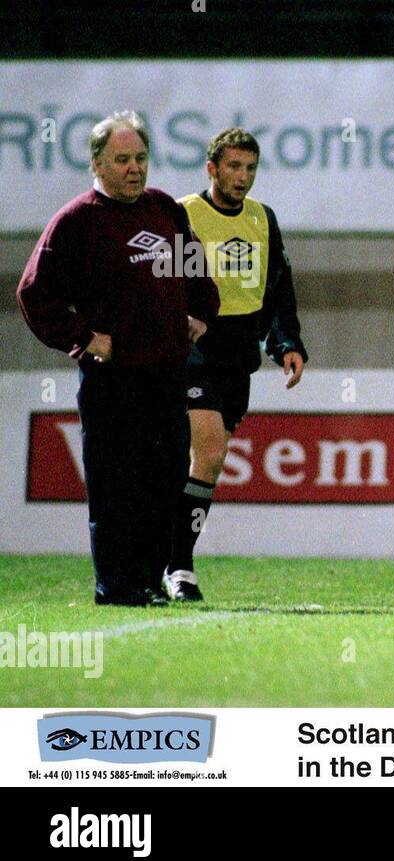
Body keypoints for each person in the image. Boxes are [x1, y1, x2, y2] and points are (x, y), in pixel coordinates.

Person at [16, 111, 219, 606]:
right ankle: (116, 584)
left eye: (141, 158)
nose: (135, 168)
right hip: (114, 377)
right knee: (115, 485)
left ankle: (149, 579)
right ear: (97, 163)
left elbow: (195, 267)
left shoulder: (164, 209)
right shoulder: (77, 221)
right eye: (123, 159)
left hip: (167, 371)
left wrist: (201, 311)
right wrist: (83, 338)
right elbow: (32, 294)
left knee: (166, 477)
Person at [164, 127, 308, 601]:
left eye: (250, 168)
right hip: (194, 350)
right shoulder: (184, 214)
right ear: (212, 168)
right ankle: (179, 567)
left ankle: (171, 558)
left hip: (238, 355)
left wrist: (286, 344)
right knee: (206, 452)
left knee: (209, 464)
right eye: (233, 167)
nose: (242, 177)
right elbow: (161, 280)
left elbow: (277, 288)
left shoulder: (262, 219)